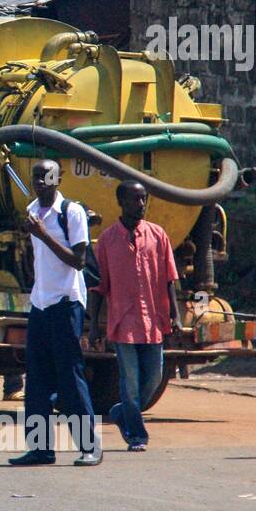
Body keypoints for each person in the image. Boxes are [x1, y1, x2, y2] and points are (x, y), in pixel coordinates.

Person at [9, 160, 102, 466]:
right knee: (36, 379)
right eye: (36, 176)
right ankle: (40, 449)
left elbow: (78, 260)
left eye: (47, 176)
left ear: (59, 178)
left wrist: (43, 234)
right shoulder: (33, 210)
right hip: (40, 304)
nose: (40, 181)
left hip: (66, 303)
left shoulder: (72, 213)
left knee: (70, 376)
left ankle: (90, 447)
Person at [87, 181, 183, 452]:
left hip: (153, 321)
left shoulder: (158, 235)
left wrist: (175, 316)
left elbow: (169, 280)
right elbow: (98, 287)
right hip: (123, 322)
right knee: (129, 381)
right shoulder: (107, 240)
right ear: (121, 202)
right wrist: (94, 326)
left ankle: (121, 413)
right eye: (135, 199)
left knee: (153, 379)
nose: (141, 204)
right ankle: (136, 435)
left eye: (144, 199)